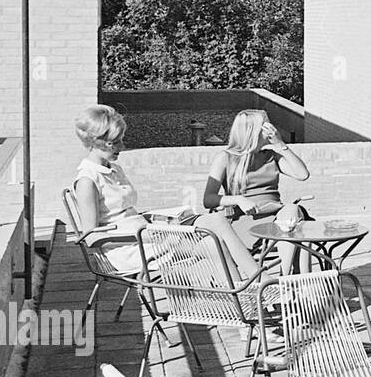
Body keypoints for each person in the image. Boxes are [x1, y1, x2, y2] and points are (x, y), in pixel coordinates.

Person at [71, 105, 261, 280]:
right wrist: (144, 234)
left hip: (148, 236)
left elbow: (126, 213)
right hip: (128, 250)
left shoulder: (113, 169)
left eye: (121, 140)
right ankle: (248, 292)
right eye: (114, 143)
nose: (122, 147)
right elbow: (91, 238)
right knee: (212, 243)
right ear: (94, 142)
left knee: (217, 221)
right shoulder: (87, 181)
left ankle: (254, 285)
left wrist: (158, 220)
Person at [203, 110, 312, 269]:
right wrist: (238, 200)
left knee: (292, 212)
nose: (271, 129)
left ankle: (285, 277)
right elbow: (208, 199)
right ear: (253, 131)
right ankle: (292, 281)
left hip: (276, 215)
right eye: (266, 125)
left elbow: (302, 174)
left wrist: (280, 144)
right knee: (296, 229)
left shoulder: (271, 155)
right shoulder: (226, 157)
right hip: (246, 219)